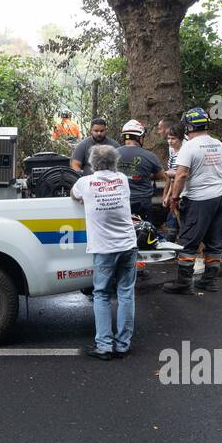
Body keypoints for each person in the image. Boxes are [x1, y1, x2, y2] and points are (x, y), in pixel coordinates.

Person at [71, 144, 137, 359]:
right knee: (126, 293)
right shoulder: (123, 180)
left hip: (104, 248)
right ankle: (123, 344)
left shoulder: (85, 183)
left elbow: (74, 195)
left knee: (101, 294)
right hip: (128, 244)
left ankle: (104, 346)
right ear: (115, 162)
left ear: (92, 163)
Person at [161, 107, 222, 295]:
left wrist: (174, 198)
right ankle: (210, 281)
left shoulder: (189, 147)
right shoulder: (220, 145)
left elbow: (182, 174)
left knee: (188, 241)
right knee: (214, 241)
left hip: (199, 199)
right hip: (221, 196)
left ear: (188, 126)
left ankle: (184, 283)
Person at [115, 119, 166, 222]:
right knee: (145, 232)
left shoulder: (112, 154)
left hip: (119, 200)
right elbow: (162, 176)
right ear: (139, 138)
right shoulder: (149, 156)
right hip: (142, 202)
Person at [158, 119, 185, 239]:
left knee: (181, 216)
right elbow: (171, 176)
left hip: (183, 188)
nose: (170, 141)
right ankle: (174, 236)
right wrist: (167, 195)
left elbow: (180, 175)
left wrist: (173, 196)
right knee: (174, 213)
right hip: (175, 186)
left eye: (173, 139)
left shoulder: (185, 150)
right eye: (168, 139)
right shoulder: (171, 149)